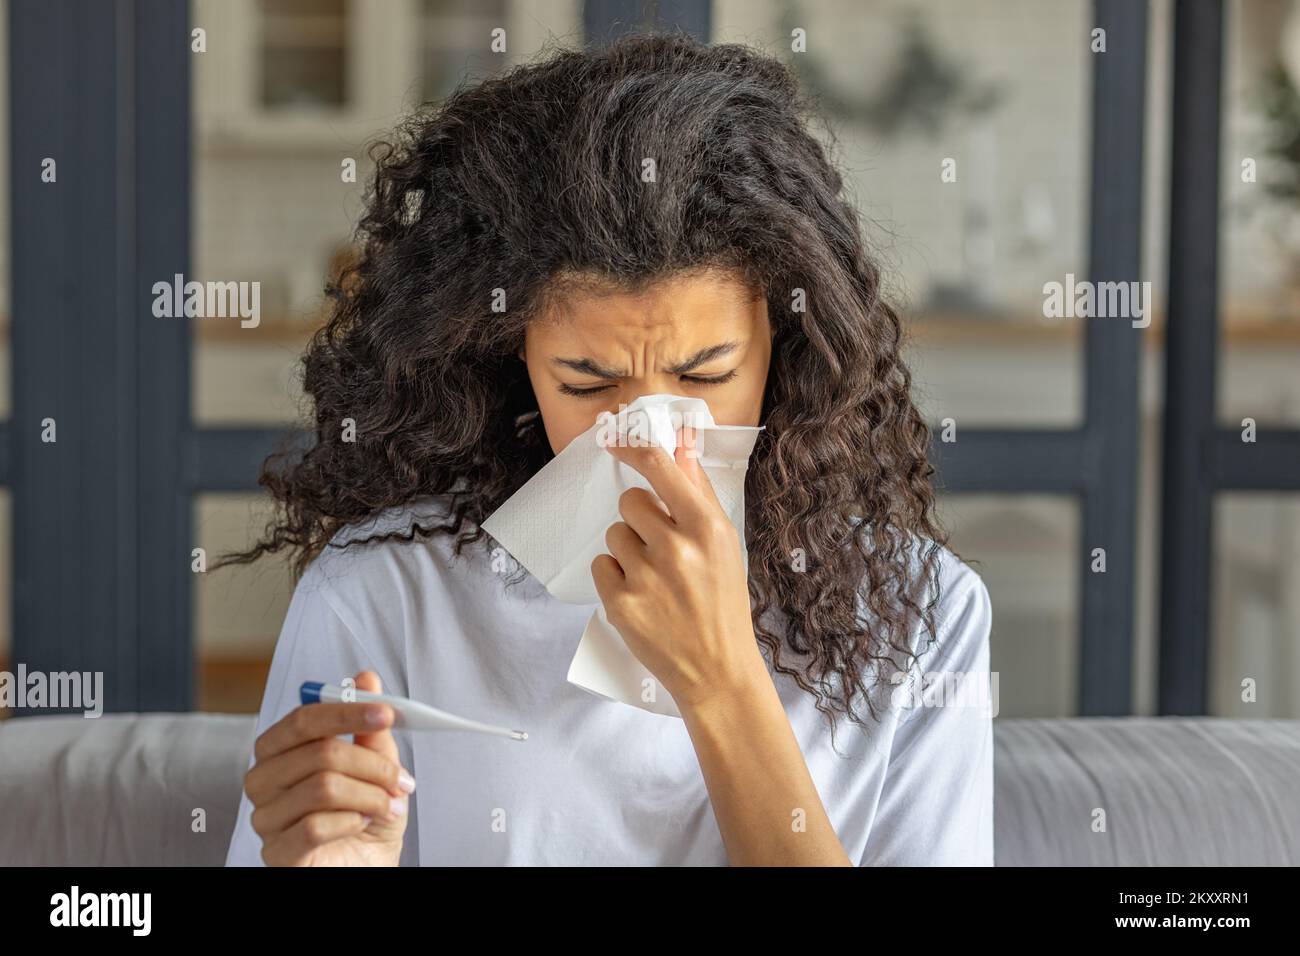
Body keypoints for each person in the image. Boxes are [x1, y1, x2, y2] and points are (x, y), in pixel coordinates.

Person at [222, 31, 993, 867]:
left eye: (706, 372)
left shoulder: (923, 615)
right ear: (512, 358)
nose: (647, 441)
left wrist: (722, 683)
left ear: (786, 342)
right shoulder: (383, 592)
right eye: (586, 384)